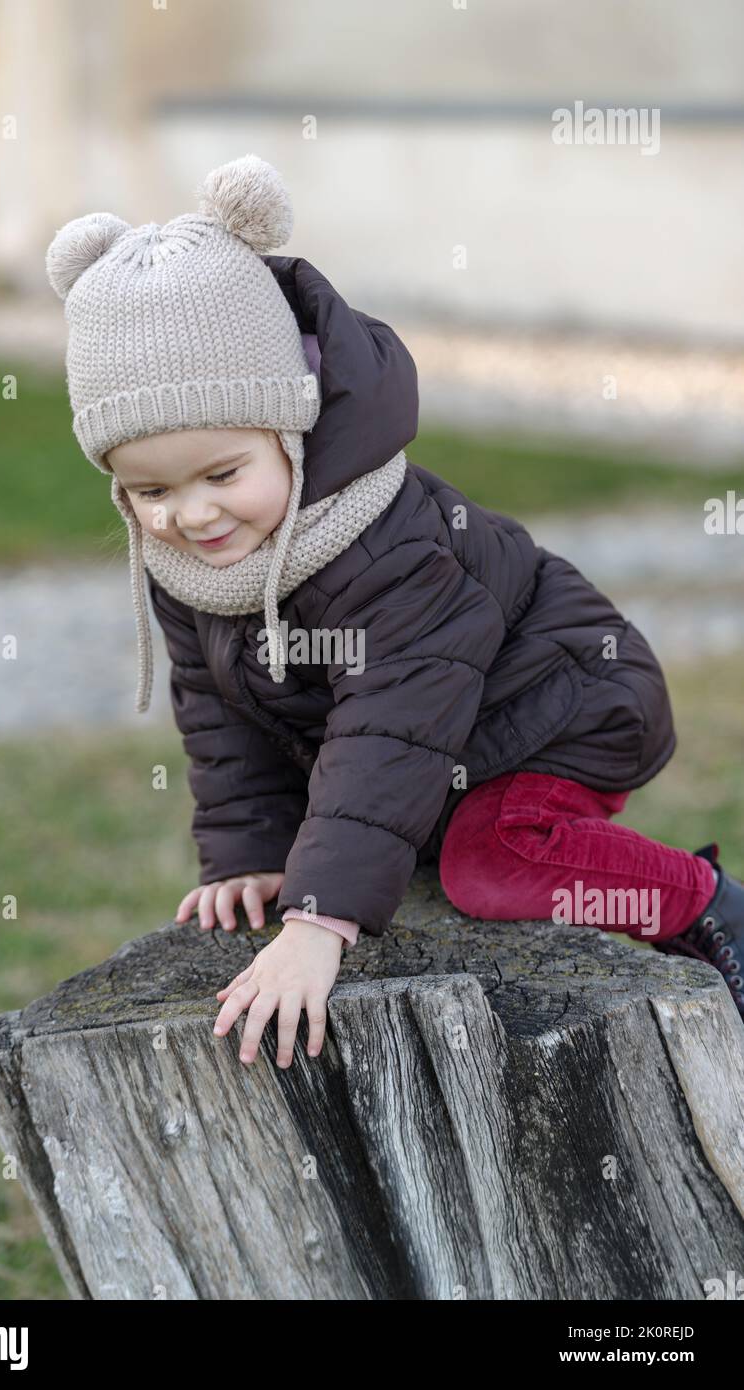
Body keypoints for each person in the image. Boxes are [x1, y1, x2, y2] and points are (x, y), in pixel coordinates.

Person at [45, 154, 744, 1070]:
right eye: (148, 489)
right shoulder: (189, 561)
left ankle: (705, 904)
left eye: (222, 474)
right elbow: (219, 709)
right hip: (448, 740)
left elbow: (391, 723)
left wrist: (317, 920)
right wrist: (253, 854)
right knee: (405, 842)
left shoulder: (388, 549)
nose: (191, 514)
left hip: (556, 702)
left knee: (490, 863)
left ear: (293, 428)